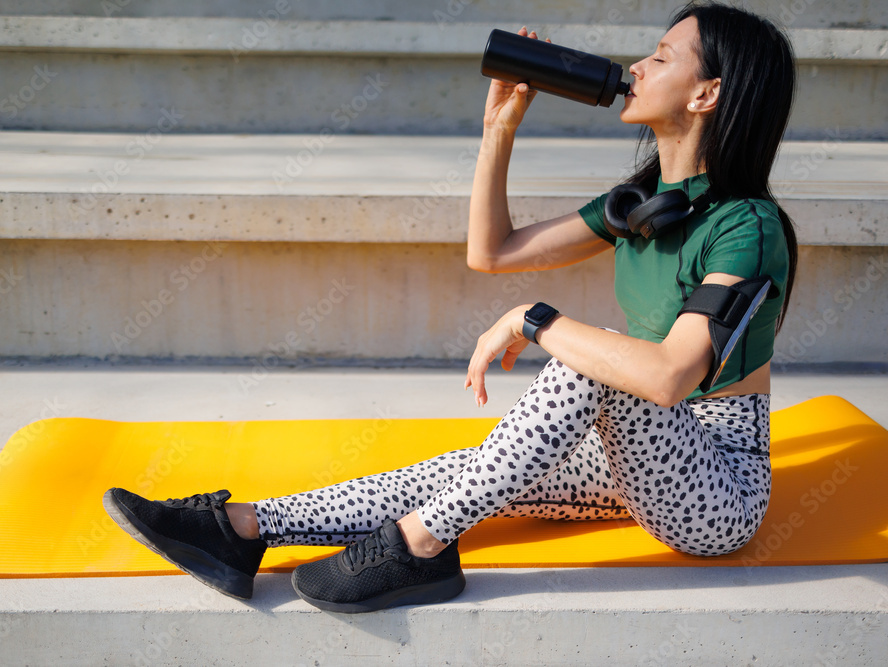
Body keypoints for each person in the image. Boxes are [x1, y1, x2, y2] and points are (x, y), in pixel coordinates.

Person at [103, 1, 798, 613]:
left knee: (587, 360)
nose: (638, 66)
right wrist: (499, 129)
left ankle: (420, 547)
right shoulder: (641, 207)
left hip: (717, 490)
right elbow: (491, 251)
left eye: (662, 55)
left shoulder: (746, 226)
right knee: (466, 468)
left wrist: (538, 320)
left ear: (707, 93)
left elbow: (670, 375)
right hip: (636, 455)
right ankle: (243, 531)